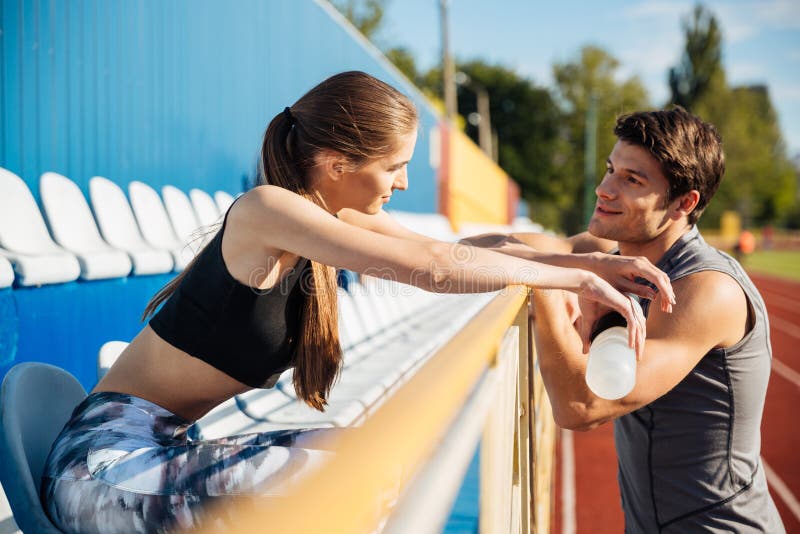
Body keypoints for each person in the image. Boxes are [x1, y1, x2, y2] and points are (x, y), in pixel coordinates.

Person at [40, 71, 672, 534]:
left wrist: (579, 261)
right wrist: (577, 277)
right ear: (336, 161)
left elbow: (456, 247)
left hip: (162, 450)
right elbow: (431, 267)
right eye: (395, 166)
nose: (402, 182)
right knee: (352, 477)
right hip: (102, 469)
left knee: (369, 460)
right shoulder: (267, 211)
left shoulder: (324, 216)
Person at [463, 107, 785, 532]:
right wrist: (551, 259)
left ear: (683, 203)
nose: (604, 189)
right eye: (610, 170)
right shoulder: (616, 254)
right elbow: (471, 248)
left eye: (631, 180)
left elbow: (583, 406)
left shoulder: (706, 290)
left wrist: (544, 281)